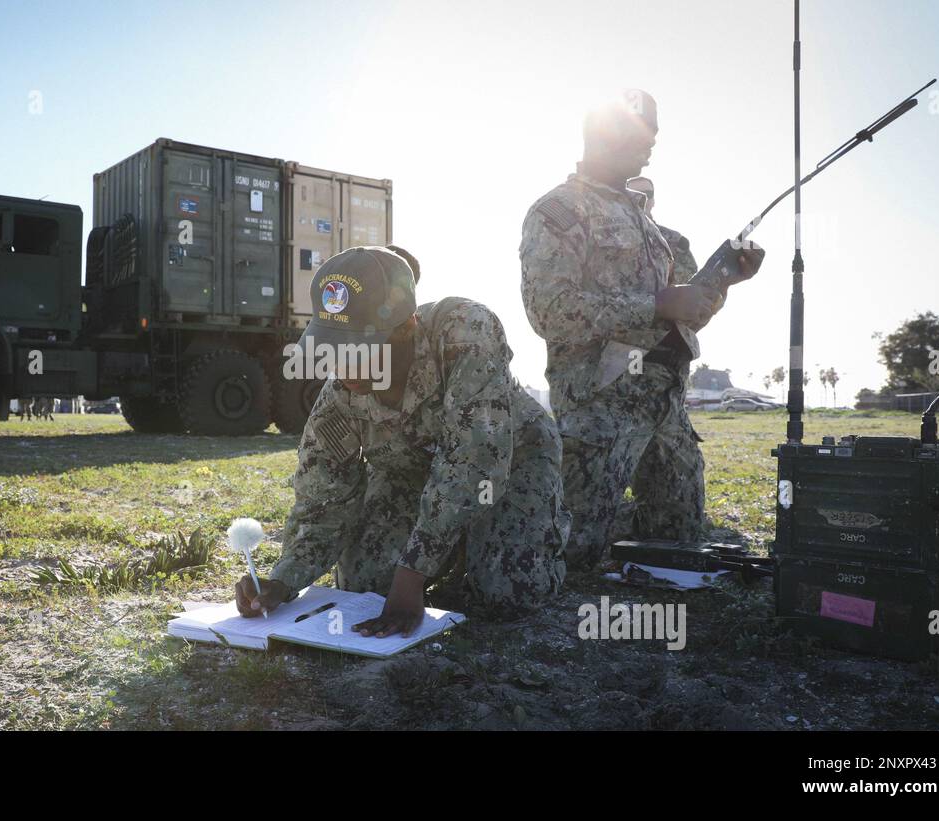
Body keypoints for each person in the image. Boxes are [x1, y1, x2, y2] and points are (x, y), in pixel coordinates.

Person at [236, 246, 569, 636]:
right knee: (364, 584)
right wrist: (283, 580)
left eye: (358, 350)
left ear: (407, 327)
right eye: (333, 348)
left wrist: (412, 573)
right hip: (412, 479)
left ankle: (541, 533)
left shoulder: (464, 331)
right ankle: (457, 546)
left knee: (506, 594)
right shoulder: (340, 397)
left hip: (511, 465)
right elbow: (322, 499)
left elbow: (477, 463)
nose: (342, 367)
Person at [518, 89, 763, 572]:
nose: (650, 145)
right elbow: (549, 311)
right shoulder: (561, 210)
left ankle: (616, 528)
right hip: (603, 400)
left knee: (677, 538)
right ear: (602, 136)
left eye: (654, 136)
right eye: (638, 135)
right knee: (575, 553)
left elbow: (685, 314)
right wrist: (655, 302)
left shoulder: (650, 227)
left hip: (665, 399)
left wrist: (723, 280)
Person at [627, 176, 697, 280]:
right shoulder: (611, 234)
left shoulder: (674, 240)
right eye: (635, 193)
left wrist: (666, 275)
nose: (642, 198)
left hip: (663, 295)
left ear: (653, 201)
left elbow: (690, 273)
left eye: (647, 194)